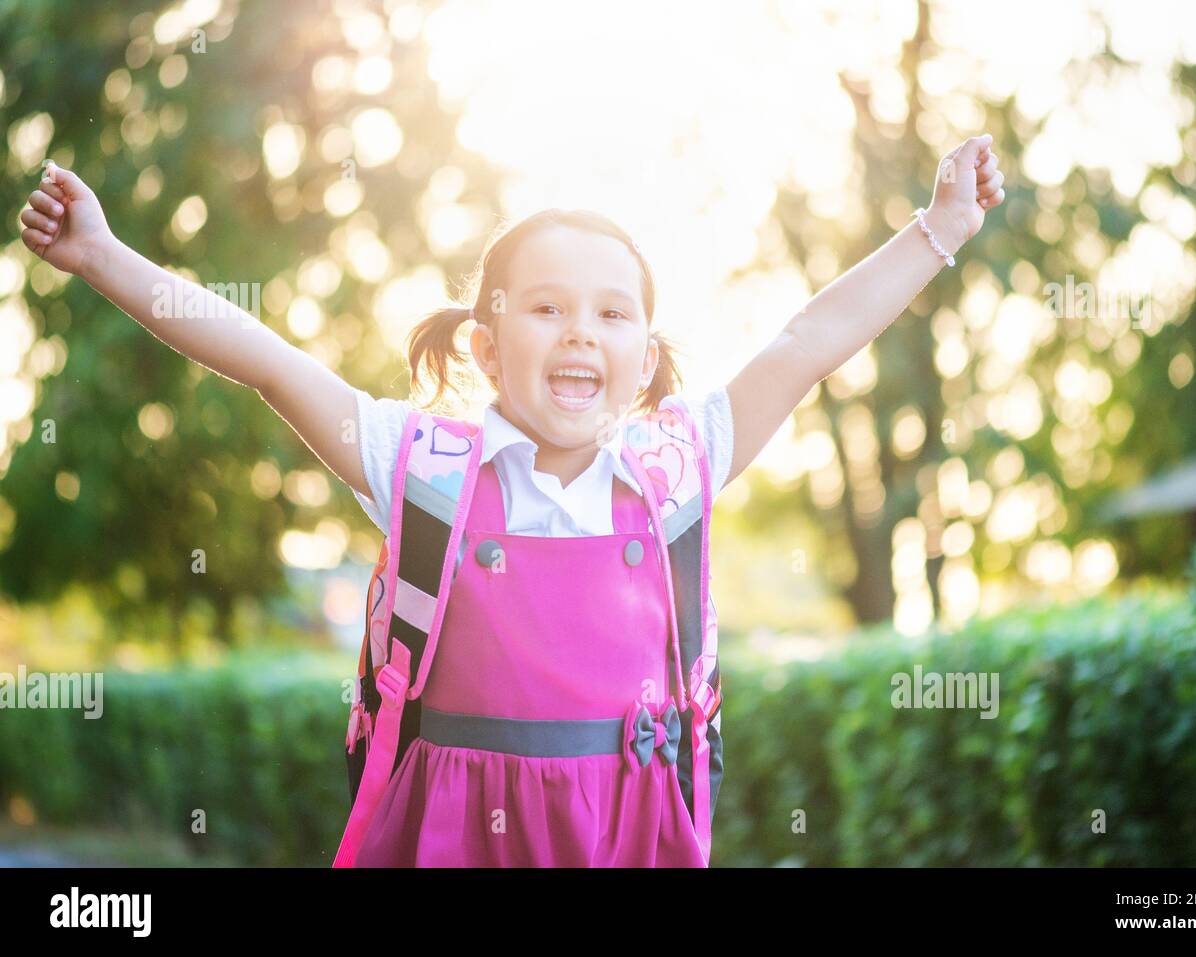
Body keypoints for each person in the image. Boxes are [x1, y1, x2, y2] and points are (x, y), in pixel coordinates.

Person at [18, 134, 1005, 866]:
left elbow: (805, 342)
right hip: (450, 835)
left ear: (645, 359)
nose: (580, 334)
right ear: (485, 346)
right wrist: (106, 257)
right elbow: (270, 363)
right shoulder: (424, 468)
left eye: (611, 315)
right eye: (546, 309)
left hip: (631, 826)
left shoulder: (675, 468)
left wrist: (941, 229)